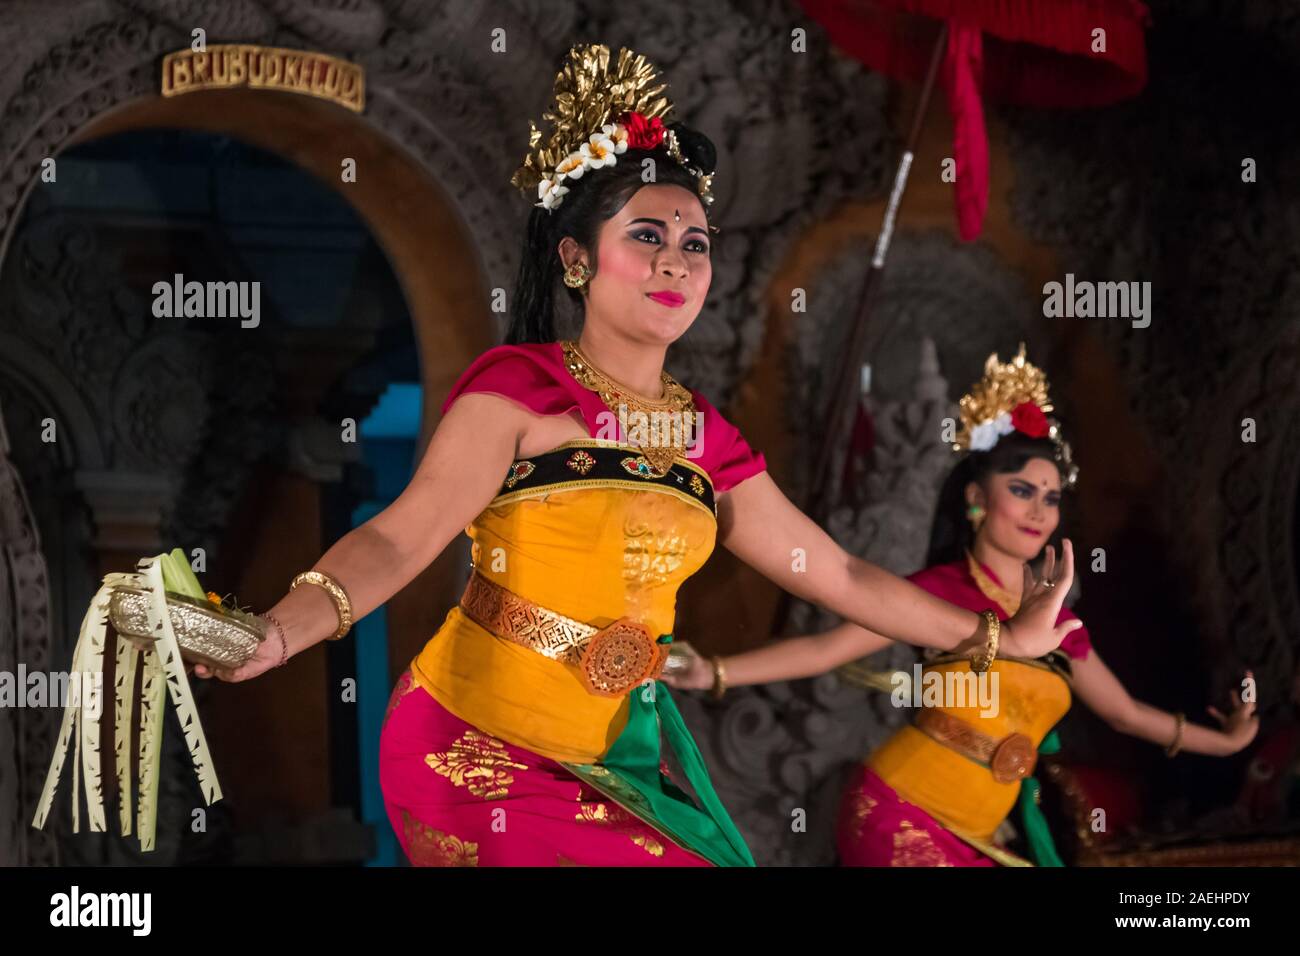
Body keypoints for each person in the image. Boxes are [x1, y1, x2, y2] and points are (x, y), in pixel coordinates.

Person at [194, 45, 1080, 867]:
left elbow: (842, 575)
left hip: (608, 765)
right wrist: (281, 631)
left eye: (694, 244)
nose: (676, 263)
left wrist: (999, 637)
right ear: (577, 261)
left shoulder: (706, 438)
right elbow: (398, 538)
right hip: (474, 745)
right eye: (646, 236)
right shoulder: (521, 387)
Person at [666, 346, 1260, 865]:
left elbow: (1126, 713)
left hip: (980, 835)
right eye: (1022, 491)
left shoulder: (1057, 623)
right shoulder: (940, 593)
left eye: (1051, 498)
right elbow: (827, 648)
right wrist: (713, 671)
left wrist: (1229, 742)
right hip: (900, 811)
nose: (1038, 511)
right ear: (976, 499)